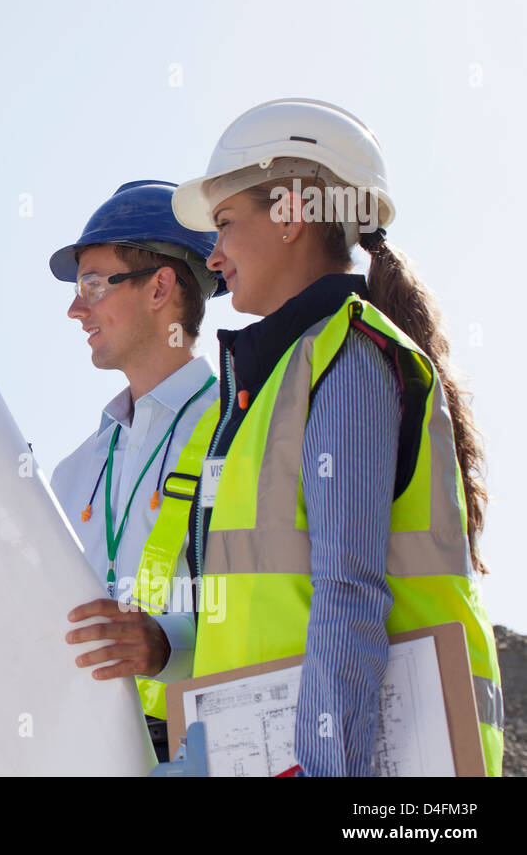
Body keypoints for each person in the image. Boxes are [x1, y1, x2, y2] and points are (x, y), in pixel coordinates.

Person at [172, 98, 503, 776]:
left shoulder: (347, 361)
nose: (215, 253)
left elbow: (347, 587)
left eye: (227, 223)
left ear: (292, 214)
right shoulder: (276, 382)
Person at [47, 180, 224, 762]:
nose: (76, 308)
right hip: (83, 751)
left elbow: (278, 609)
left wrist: (167, 645)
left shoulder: (246, 434)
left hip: (207, 746)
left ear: (161, 288)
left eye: (93, 284)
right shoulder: (74, 472)